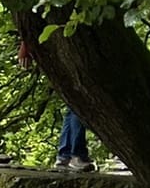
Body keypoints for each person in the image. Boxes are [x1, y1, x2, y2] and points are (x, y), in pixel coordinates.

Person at [19, 41, 95, 171]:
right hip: (69, 53)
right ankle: (76, 154)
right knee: (79, 101)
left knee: (73, 104)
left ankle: (65, 155)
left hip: (62, 54)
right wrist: (25, 46)